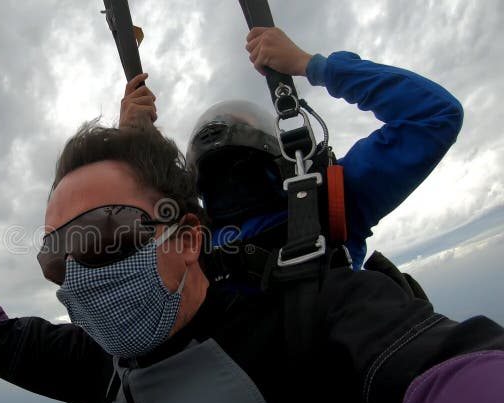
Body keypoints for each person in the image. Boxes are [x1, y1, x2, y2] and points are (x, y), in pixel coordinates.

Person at [0, 122, 504, 403]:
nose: (79, 275)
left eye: (103, 236)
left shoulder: (310, 322)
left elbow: (453, 378)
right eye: (57, 257)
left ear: (189, 239)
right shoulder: (107, 363)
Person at [120, 27, 464, 270]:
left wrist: (310, 64)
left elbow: (434, 115)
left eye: (237, 121)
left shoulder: (329, 198)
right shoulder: (187, 236)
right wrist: (128, 148)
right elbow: (435, 116)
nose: (225, 126)